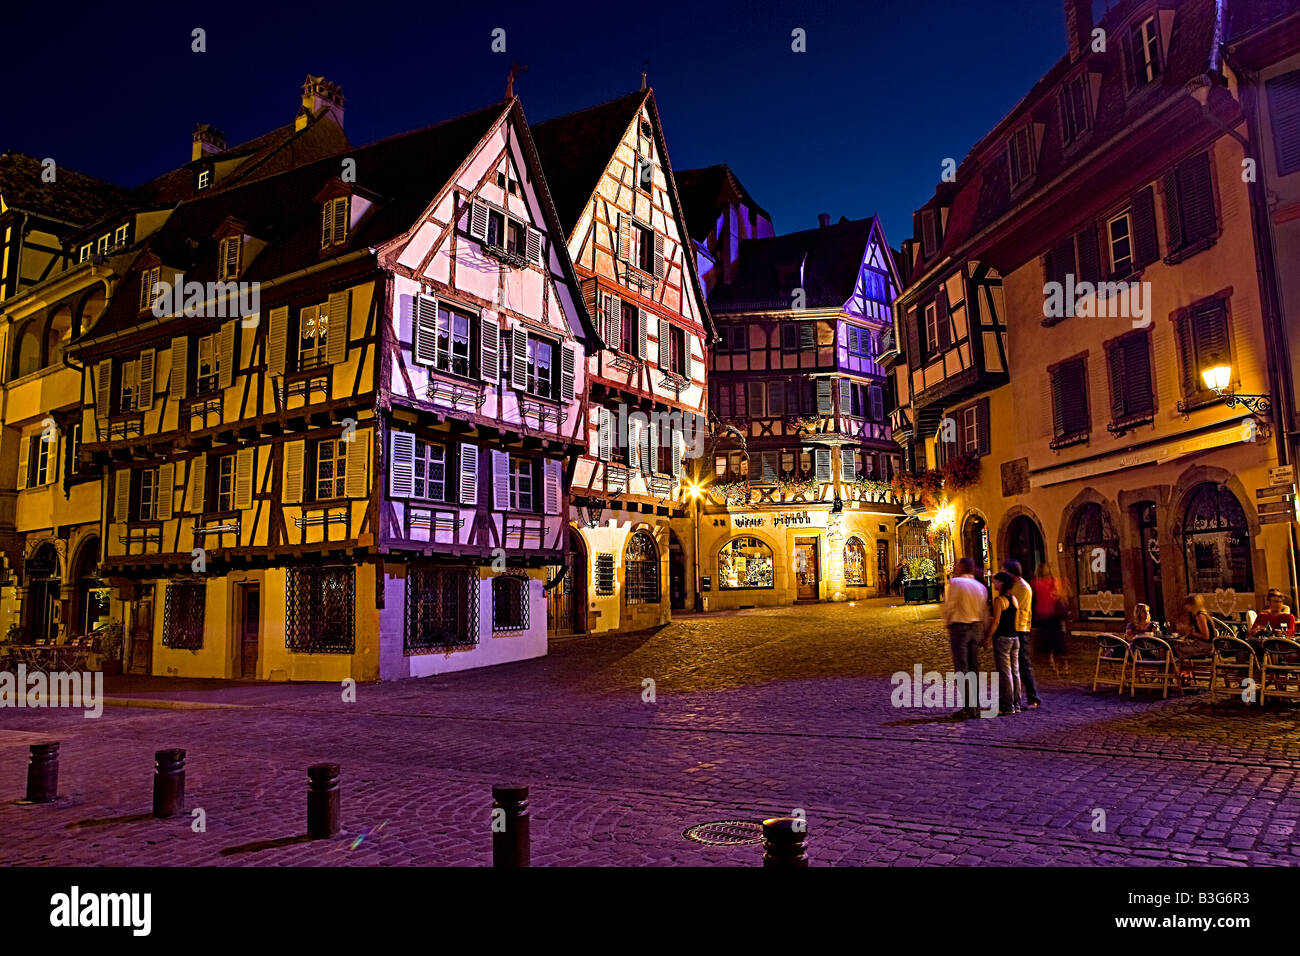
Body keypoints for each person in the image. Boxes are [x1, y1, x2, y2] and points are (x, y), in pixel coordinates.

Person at [942, 557, 989, 718]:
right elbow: (985, 611)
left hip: (960, 627)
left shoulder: (955, 584)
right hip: (976, 627)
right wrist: (985, 632)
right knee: (974, 667)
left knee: (962, 668)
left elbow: (950, 605)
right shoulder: (981, 587)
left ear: (962, 568)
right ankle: (975, 706)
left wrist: (948, 622)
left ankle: (968, 707)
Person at [1002, 559, 1040, 709]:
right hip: (1016, 627)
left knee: (1024, 665)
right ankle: (1016, 697)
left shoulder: (1022, 588)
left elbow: (1015, 609)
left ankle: (1033, 698)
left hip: (1020, 628)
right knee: (1016, 665)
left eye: (1004, 571)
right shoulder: (1016, 585)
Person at [982, 571, 1021, 715]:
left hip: (1003, 639)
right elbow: (1015, 621)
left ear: (1002, 583)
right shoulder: (1014, 599)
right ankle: (1016, 703)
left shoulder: (1000, 601)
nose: (994, 584)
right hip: (1014, 638)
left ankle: (1007, 705)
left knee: (1005, 673)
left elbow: (996, 622)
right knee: (1015, 672)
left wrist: (987, 638)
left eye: (996, 581)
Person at [1031, 562, 1068, 677]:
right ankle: (1063, 666)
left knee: (1047, 641)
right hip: (1055, 615)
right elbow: (1060, 595)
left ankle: (1052, 664)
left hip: (1042, 615)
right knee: (1058, 640)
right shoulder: (1054, 581)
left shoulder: (1035, 583)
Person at [1173, 594, 1216, 661]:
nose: (1185, 606)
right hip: (1203, 645)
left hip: (1204, 647)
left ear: (1192, 605)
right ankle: (1182, 669)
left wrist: (1192, 633)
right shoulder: (1202, 614)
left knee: (1172, 648)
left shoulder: (1200, 616)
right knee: (1175, 645)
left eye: (1186, 604)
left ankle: (1171, 669)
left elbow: (1206, 636)